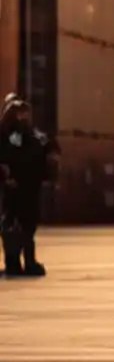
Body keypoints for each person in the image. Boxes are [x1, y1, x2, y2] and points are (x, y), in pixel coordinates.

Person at [0, 97, 59, 277]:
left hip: (28, 187)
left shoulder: (32, 135)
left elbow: (49, 150)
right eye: (19, 113)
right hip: (14, 188)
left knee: (26, 226)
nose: (23, 117)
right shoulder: (10, 135)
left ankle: (27, 262)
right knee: (13, 226)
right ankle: (14, 262)